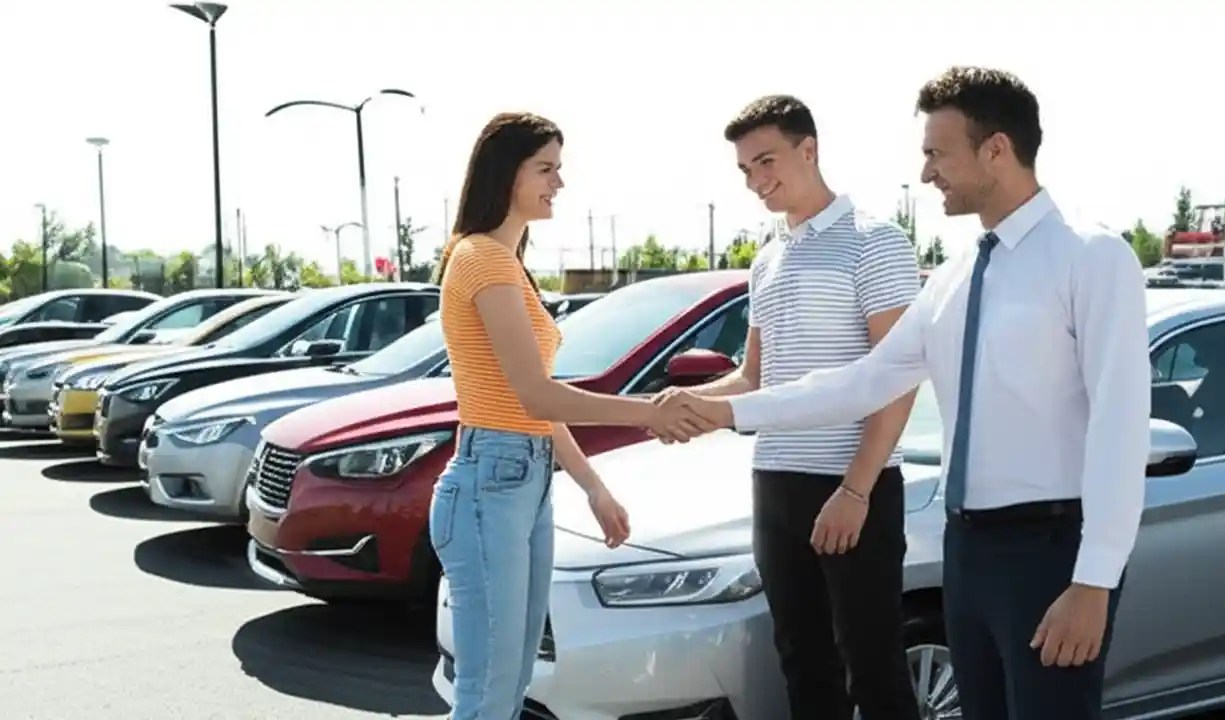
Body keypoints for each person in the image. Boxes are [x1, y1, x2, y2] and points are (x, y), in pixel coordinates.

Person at [657, 66, 1150, 720]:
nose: (925, 174)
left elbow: (1121, 426)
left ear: (995, 149)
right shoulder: (952, 277)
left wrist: (1095, 578)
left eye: (936, 154)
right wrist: (726, 409)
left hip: (1052, 553)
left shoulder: (1093, 258)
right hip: (967, 552)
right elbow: (861, 383)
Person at [430, 111, 713, 720]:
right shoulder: (482, 259)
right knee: (487, 692)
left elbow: (534, 402)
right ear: (506, 173)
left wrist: (593, 487)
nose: (559, 183)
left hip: (520, 479)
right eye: (546, 168)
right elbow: (535, 396)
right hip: (490, 482)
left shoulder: (508, 263)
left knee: (509, 684)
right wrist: (648, 413)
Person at [654, 94, 923, 720]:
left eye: (767, 161)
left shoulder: (876, 242)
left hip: (854, 485)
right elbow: (753, 377)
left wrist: (855, 491)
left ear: (810, 149)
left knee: (874, 668)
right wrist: (681, 403)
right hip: (775, 483)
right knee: (803, 662)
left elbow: (898, 377)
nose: (757, 181)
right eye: (746, 170)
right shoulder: (768, 256)